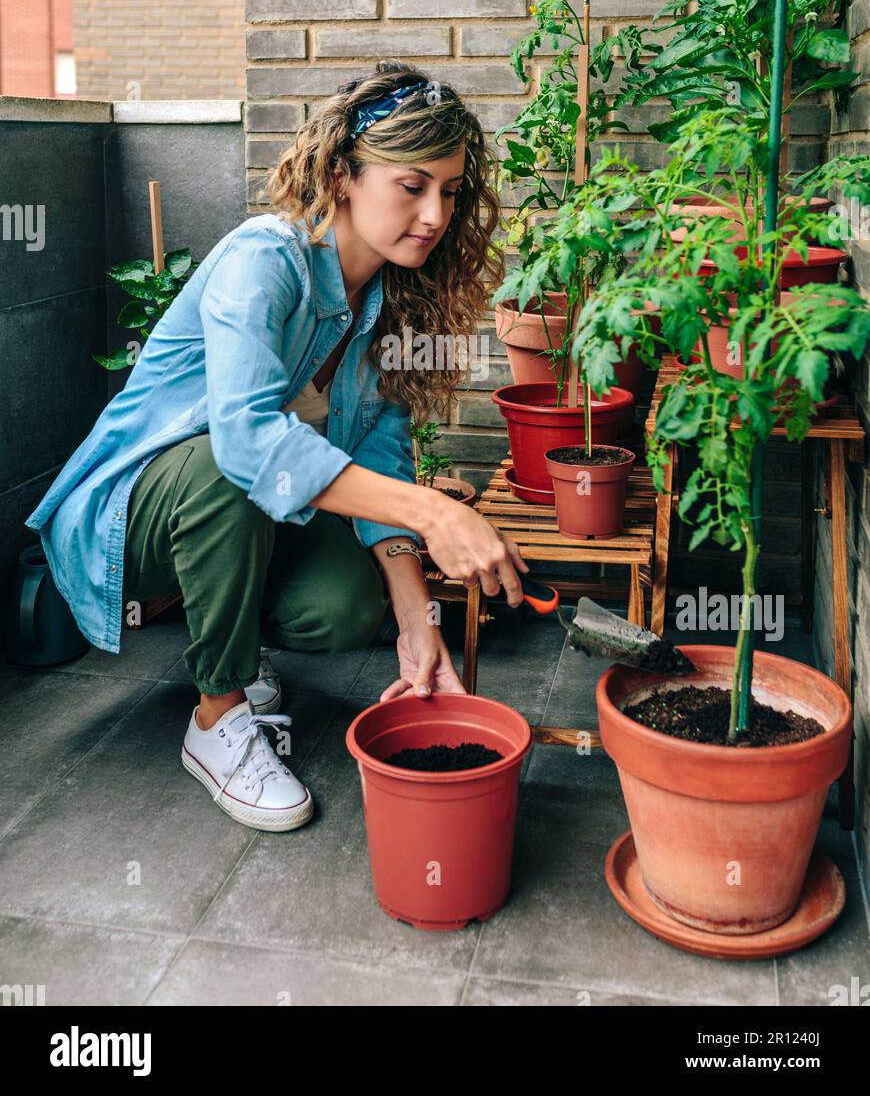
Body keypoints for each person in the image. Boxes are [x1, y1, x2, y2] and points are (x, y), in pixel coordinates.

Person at [25, 61, 529, 832]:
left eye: (451, 190)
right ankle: (216, 720)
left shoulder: (391, 301)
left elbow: (385, 456)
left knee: (346, 603)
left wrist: (417, 620)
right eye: (412, 184)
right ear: (341, 174)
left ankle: (231, 636)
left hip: (240, 523)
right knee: (233, 470)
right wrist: (436, 514)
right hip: (129, 520)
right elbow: (249, 443)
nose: (435, 213)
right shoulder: (267, 260)